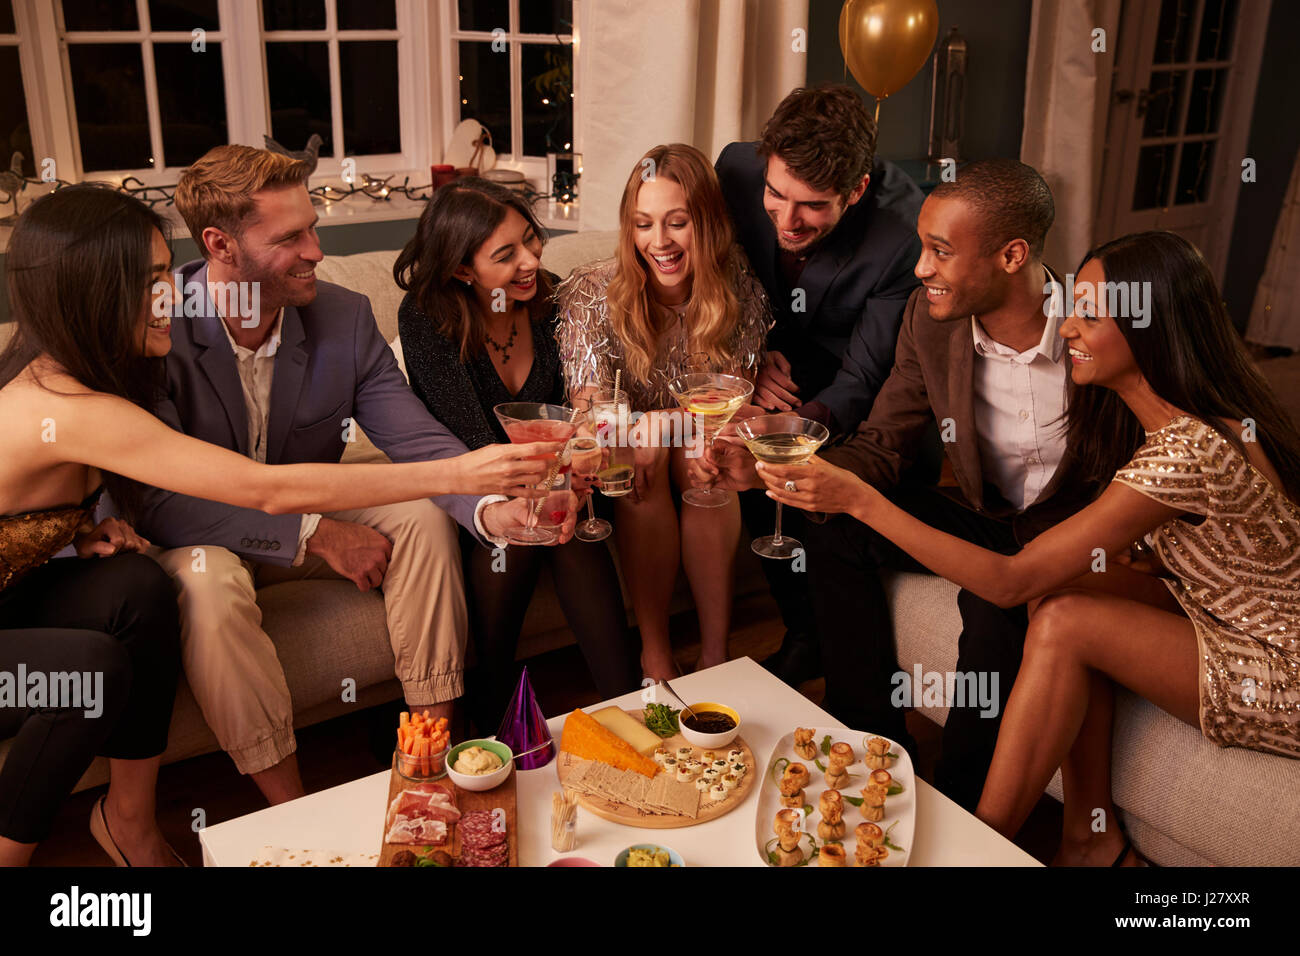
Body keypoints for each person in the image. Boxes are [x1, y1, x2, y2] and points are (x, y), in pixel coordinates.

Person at [0, 185, 552, 864]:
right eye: (147, 283)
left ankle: (129, 820)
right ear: (87, 294)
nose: (172, 294)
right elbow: (266, 490)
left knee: (135, 589)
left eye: (161, 273)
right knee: (93, 666)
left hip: (23, 586)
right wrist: (462, 474)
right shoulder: (71, 403)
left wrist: (76, 529)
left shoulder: (91, 372)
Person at [754, 230, 1300, 865]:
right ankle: (1092, 839)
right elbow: (1238, 554)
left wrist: (858, 500)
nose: (1066, 327)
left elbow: (1010, 582)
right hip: (1226, 617)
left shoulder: (1186, 450)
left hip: (1281, 669)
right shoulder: (1197, 420)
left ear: (1151, 331)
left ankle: (976, 849)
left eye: (1089, 316)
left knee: (1062, 617)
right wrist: (1152, 558)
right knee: (1063, 592)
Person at [131, 145, 567, 805]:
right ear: (220, 244)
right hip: (201, 530)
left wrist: (489, 510)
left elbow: (413, 438)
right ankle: (293, 808)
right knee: (207, 585)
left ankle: (428, 764)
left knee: (421, 514)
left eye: (313, 227)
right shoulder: (158, 327)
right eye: (291, 237)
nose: (315, 250)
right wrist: (314, 532)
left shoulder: (342, 316)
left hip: (304, 504)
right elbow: (157, 498)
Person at [700, 159, 1093, 810]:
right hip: (991, 515)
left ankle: (964, 807)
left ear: (1011, 255)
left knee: (994, 608)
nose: (920, 268)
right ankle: (869, 745)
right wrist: (786, 467)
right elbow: (883, 443)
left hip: (1075, 536)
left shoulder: (1097, 324)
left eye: (940, 252)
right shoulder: (930, 320)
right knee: (835, 522)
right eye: (922, 247)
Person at [396, 178, 639, 733]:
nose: (531, 261)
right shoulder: (427, 316)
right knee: (519, 536)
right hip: (473, 488)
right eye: (506, 255)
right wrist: (548, 490)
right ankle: (491, 717)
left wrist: (577, 468)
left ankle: (627, 710)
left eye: (531, 240)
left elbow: (581, 406)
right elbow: (472, 441)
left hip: (560, 481)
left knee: (568, 531)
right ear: (462, 269)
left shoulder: (551, 299)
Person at [714, 84, 924, 686]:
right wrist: (750, 358)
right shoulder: (732, 167)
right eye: (775, 195)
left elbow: (867, 373)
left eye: (811, 206)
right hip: (764, 353)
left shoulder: (903, 230)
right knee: (740, 454)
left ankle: (832, 644)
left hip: (853, 380)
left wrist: (791, 428)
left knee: (792, 466)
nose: (785, 217)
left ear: (856, 191)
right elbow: (709, 279)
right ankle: (801, 630)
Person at [556, 143, 770, 680]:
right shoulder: (589, 292)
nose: (660, 242)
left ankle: (716, 652)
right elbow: (590, 414)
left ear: (708, 223)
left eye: (678, 223)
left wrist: (673, 426)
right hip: (629, 457)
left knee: (707, 451)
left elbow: (729, 407)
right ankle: (655, 648)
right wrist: (644, 428)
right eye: (643, 224)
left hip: (698, 443)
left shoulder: (738, 286)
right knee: (640, 452)